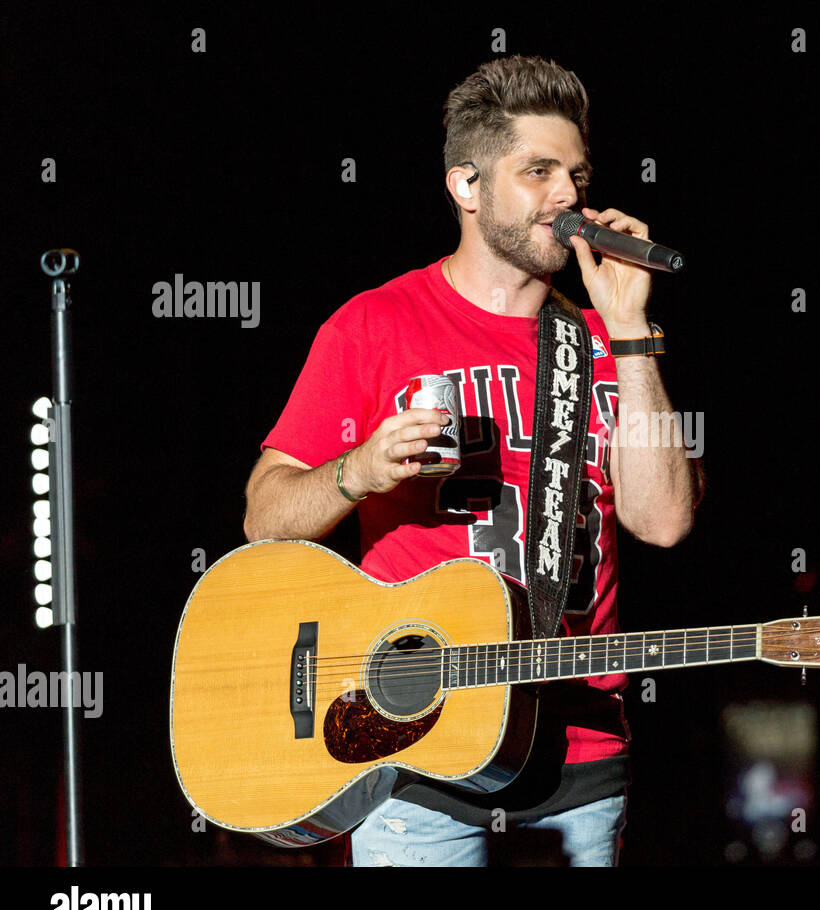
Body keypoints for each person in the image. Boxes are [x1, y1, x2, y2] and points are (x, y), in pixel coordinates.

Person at [241, 54, 701, 866]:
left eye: (576, 174)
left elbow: (664, 523)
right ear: (466, 185)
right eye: (539, 172)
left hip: (581, 759)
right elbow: (262, 519)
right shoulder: (372, 326)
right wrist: (361, 472)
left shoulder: (607, 344)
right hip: (419, 754)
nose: (569, 196)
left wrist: (631, 334)